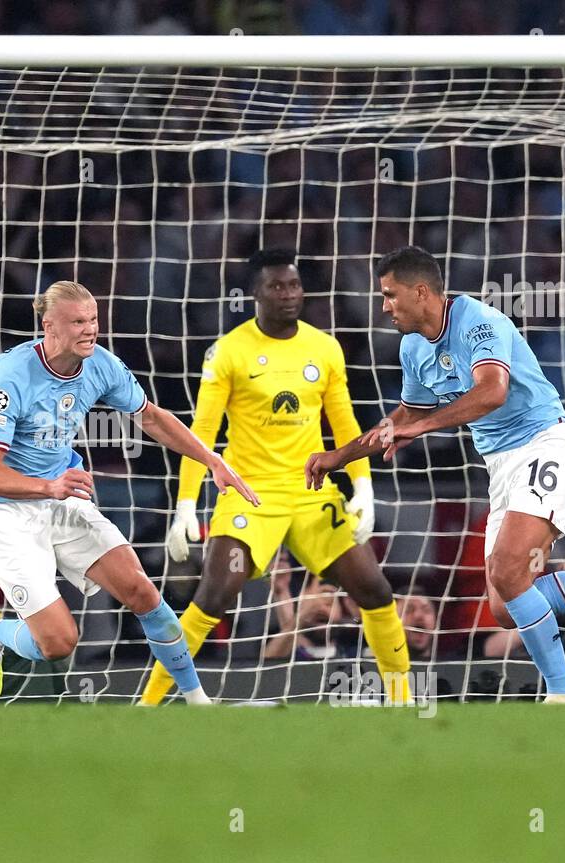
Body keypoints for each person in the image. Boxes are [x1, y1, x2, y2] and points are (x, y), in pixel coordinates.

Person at [305, 245, 565, 703]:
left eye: (391, 295)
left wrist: (420, 426)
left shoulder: (479, 321)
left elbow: (492, 391)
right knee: (505, 607)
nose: (384, 306)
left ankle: (562, 695)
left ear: (421, 292)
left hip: (547, 444)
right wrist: (341, 455)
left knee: (509, 570)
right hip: (501, 467)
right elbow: (405, 414)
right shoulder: (413, 347)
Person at [0, 280, 258, 705]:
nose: (90, 329)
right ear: (49, 326)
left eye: (94, 319)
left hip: (61, 496)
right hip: (2, 510)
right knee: (58, 642)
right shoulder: (6, 378)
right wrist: (50, 486)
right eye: (78, 321)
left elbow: (150, 417)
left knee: (143, 593)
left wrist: (212, 459)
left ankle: (197, 702)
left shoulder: (101, 365)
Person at [141, 249, 412, 705]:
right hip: (250, 495)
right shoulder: (228, 351)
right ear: (256, 294)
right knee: (212, 596)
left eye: (294, 285)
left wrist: (362, 485)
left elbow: (344, 426)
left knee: (375, 588)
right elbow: (201, 433)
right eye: (277, 287)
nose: (289, 295)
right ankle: (148, 706)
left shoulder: (324, 348)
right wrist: (186, 503)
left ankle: (404, 700)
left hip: (310, 493)